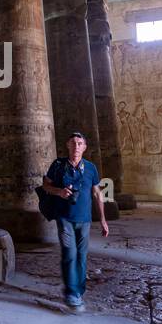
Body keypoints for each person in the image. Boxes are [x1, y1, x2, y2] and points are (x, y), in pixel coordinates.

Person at [42, 132, 109, 312]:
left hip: (84, 219)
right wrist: (59, 192)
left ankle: (79, 290)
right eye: (73, 143)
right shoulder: (58, 166)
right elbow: (45, 185)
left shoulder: (90, 168)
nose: (77, 146)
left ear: (85, 147)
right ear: (68, 146)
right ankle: (71, 293)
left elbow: (97, 193)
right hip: (64, 217)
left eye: (80, 143)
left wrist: (103, 219)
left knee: (81, 255)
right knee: (69, 253)